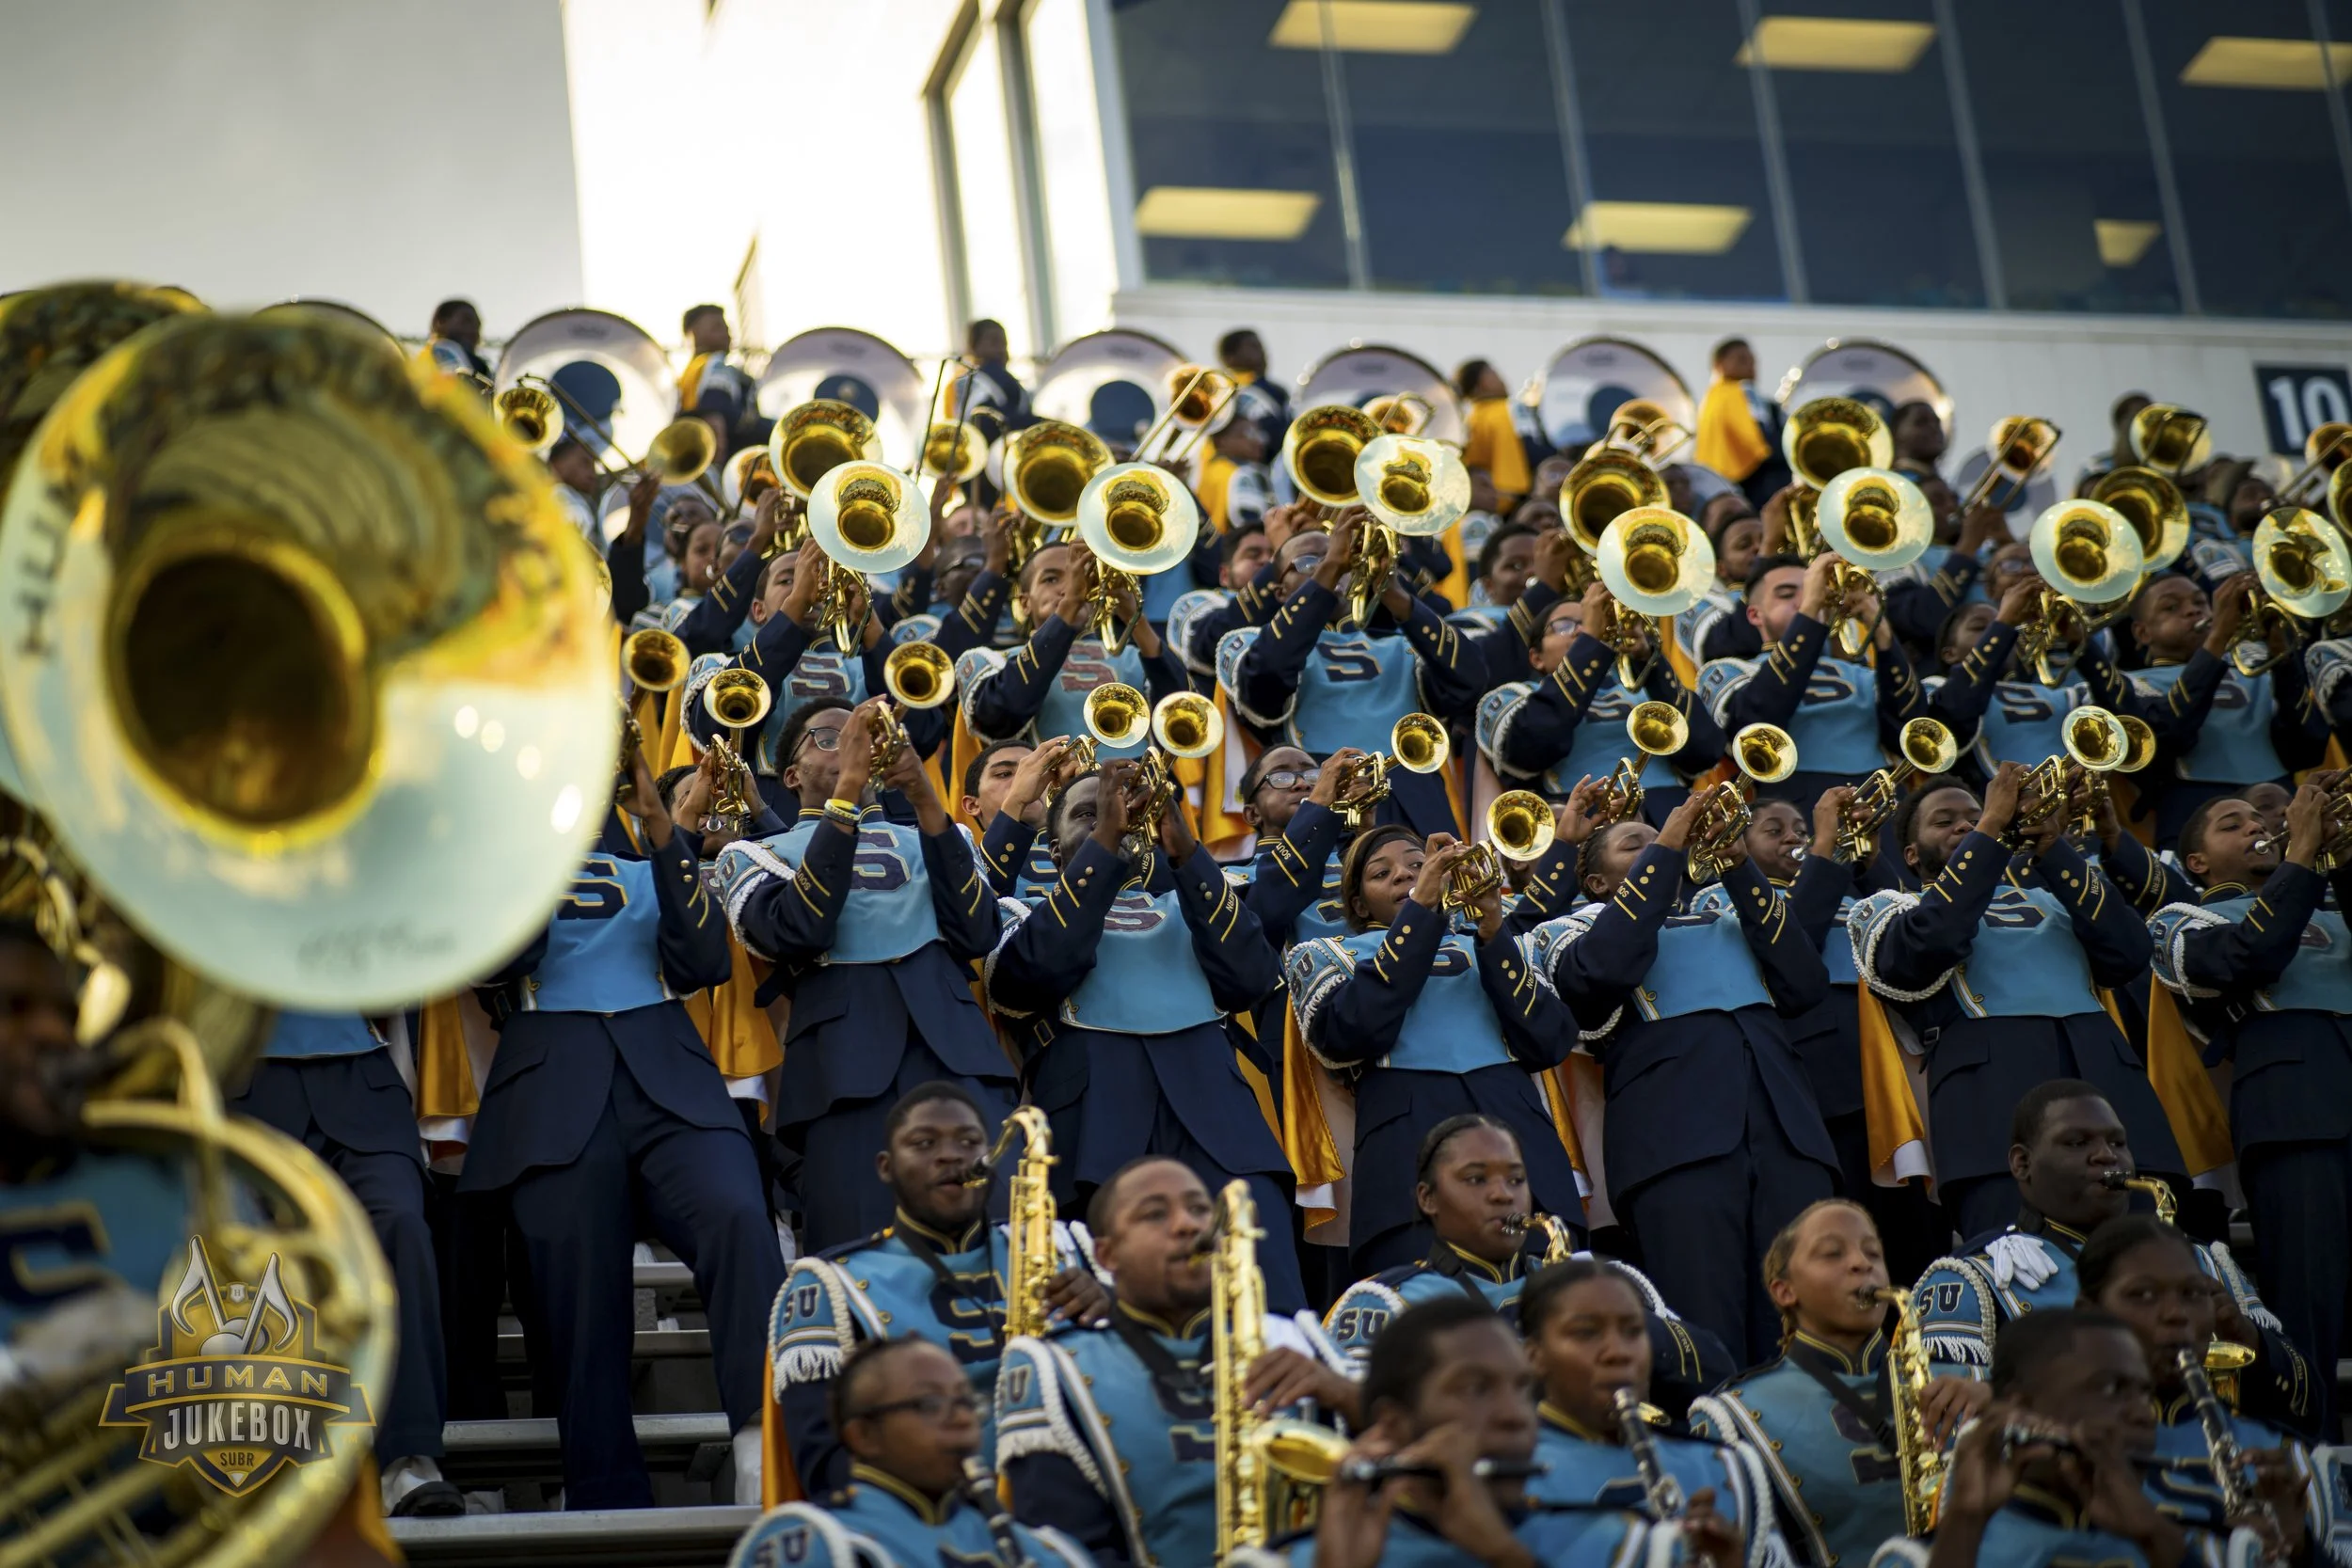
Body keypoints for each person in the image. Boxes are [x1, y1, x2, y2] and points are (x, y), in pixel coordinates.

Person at [460, 745, 782, 1510]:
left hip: (672, 1082)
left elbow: (705, 958)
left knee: (739, 1217)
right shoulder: (492, 869)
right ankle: (605, 1493)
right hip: (551, 1088)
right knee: (578, 1293)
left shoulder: (652, 860)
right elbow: (506, 959)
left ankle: (763, 1439)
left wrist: (664, 828)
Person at [1530, 789, 1839, 1362]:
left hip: (1787, 1133)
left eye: (1657, 842)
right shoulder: (1571, 927)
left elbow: (1805, 982)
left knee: (1809, 1324)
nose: (1653, 850)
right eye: (1634, 845)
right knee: (1707, 1329)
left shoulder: (1730, 905)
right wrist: (1668, 846)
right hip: (1675, 1147)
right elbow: (1597, 978)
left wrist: (1737, 863)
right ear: (1596, 882)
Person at [984, 765, 1305, 1307]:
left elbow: (1253, 975)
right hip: (1092, 1142)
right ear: (1056, 853)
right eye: (1086, 814)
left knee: (1265, 1307)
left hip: (1225, 1137)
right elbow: (1031, 974)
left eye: (1132, 813)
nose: (1116, 818)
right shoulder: (1022, 911)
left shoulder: (1195, 905)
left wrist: (1184, 848)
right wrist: (1106, 841)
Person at [716, 699, 1015, 1248]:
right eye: (828, 737)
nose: (852, 742)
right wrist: (846, 793)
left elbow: (977, 933)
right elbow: (797, 931)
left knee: (988, 1244)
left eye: (861, 735)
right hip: (840, 1072)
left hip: (958, 1053)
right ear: (790, 774)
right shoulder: (753, 853)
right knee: (860, 1253)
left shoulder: (946, 836)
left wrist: (924, 793)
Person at [1849, 771, 2184, 1239]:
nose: (1964, 825)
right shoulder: (1888, 908)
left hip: (2110, 1099)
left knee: (2144, 1273)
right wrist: (1988, 830)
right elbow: (1928, 946)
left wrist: (2052, 846)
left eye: (1972, 815)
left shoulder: (2056, 897)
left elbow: (2129, 952)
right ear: (1910, 854)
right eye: (1944, 822)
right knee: (2020, 1278)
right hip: (1993, 1119)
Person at [993, 1158, 1355, 1567]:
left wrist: (1349, 1399)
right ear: (1106, 1255)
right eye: (1155, 1214)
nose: (1187, 1226)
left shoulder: (1296, 1341)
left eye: (1200, 1210)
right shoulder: (1052, 1367)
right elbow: (1069, 1551)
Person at [767, 1083, 1108, 1495]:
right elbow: (829, 1473)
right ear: (885, 1167)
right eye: (924, 1143)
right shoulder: (827, 1287)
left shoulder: (1067, 1249)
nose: (950, 1155)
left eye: (969, 1141)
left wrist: (1115, 1317)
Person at [1910, 1082, 2305, 1433]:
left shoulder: (2207, 1260)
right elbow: (1945, 1427)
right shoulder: (1971, 1278)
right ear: (2022, 1163)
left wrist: (2248, 1337)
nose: (2106, 1156)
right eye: (2077, 1143)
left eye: (2117, 1143)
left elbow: (2305, 1400)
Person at [2148, 782, 2352, 1431]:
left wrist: (2337, 861)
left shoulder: (2331, 900)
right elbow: (2250, 956)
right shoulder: (2181, 918)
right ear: (2198, 862)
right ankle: (2311, 1464)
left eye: (2264, 817)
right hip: (2296, 1120)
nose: (2257, 825)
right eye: (2232, 823)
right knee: (2309, 1306)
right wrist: (2300, 856)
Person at [1285, 829, 1582, 1274]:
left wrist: (1493, 931)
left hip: (1522, 1144)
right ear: (1360, 905)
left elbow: (1550, 1040)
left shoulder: (1500, 943)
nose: (1404, 874)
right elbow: (1348, 1035)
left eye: (1417, 865)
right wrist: (1420, 916)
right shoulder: (1326, 953)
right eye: (1382, 873)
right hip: (1405, 1164)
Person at [1295, 1295, 1742, 1568]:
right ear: (1391, 1424)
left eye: (1524, 1389)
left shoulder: (1622, 1547)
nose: (1516, 1416)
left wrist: (1503, 1554)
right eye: (1475, 1389)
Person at [1322, 1118, 1726, 1411]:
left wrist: (1618, 1322)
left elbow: (1716, 1371)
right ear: (1428, 1199)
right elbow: (1355, 1422)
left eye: (1516, 1180)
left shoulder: (1596, 1278)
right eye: (1476, 1180)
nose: (1503, 1196)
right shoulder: (1385, 1301)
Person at [227, 1011, 457, 1515]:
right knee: (241, 1255)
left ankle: (408, 1459)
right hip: (244, 1086)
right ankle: (252, 1463)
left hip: (363, 1082)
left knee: (402, 1226)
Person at [1708, 790, 1942, 1281]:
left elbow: (1912, 927)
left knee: (1921, 1239)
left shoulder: (1847, 885)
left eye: (1800, 828)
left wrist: (1872, 859)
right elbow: (1790, 947)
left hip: (1903, 1073)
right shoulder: (1725, 897)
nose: (1793, 836)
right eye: (1773, 831)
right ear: (1738, 845)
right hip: (1831, 1088)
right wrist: (1828, 851)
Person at [1692, 1199, 1989, 1568]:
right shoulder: (1731, 1415)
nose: (1861, 1263)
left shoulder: (1972, 1382)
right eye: (1832, 1254)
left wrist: (2005, 1409)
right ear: (1784, 1291)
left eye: (1873, 1253)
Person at [2072, 1216, 2333, 1562]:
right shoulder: (2050, 1454)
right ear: (2089, 1314)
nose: (2176, 1314)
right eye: (2144, 1294)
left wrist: (2298, 1550)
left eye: (2193, 1294)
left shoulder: (2280, 1455)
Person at [1871, 1308, 2207, 1568]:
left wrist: (2154, 1537)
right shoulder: (1912, 1560)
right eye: (2111, 1388)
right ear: (2021, 1408)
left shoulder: (2197, 1546)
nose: (2143, 1413)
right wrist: (1966, 1522)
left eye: (2143, 1392)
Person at [1221, 515, 1487, 837]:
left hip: (1409, 801)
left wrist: (1395, 594)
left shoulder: (1404, 645)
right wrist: (1330, 568)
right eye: (1308, 563)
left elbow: (1471, 679)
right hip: (1319, 798)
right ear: (1280, 592)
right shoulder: (1252, 641)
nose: (1333, 565)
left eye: (1342, 560)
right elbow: (1265, 679)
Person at [731, 1337, 1092, 1568]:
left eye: (967, 1401)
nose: (962, 1418)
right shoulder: (812, 1546)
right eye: (930, 1403)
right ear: (864, 1435)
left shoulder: (1041, 1551)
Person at [1519, 1259, 1783, 1558]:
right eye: (1586, 1333)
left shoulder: (1720, 1467)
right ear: (1534, 1356)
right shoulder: (1503, 1482)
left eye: (1633, 1331)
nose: (1618, 1352)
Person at [1700, 553, 1937, 814]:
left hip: (1875, 804)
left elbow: (1911, 729)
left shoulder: (1864, 674)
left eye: (1812, 591)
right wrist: (1809, 610)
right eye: (1787, 594)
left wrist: (1878, 626)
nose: (1804, 600)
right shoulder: (1728, 670)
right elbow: (1757, 722)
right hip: (1791, 811)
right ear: (1755, 615)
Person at [1477, 579, 1726, 821]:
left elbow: (1705, 752)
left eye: (1589, 621)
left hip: (1668, 814)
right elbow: (1531, 748)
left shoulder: (1646, 687)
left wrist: (1647, 659)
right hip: (1586, 823)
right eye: (1564, 625)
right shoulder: (1514, 697)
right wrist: (1589, 641)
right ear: (1536, 657)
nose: (1580, 630)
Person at [958, 539, 1187, 761]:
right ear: (1024, 603)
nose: (1068, 587)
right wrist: (1070, 604)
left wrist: (1134, 615)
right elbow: (1002, 714)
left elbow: (1182, 716)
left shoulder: (1136, 657)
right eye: (1050, 579)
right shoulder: (992, 661)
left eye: (1081, 578)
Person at [1930, 578, 2161, 773]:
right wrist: (2003, 623)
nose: (2002, 635)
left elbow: (2133, 722)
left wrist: (2078, 642)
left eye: (2008, 630)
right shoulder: (1935, 689)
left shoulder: (2066, 695)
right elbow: (1953, 715)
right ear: (1949, 654)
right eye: (1981, 627)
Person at [1694, 338, 1788, 509]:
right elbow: (1759, 443)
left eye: (1753, 361)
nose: (1751, 366)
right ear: (1720, 364)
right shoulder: (1737, 393)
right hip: (1756, 483)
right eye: (1742, 360)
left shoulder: (1711, 399)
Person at [419, 297, 487, 383]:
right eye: (466, 321)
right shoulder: (442, 349)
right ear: (441, 322)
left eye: (478, 324)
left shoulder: (477, 361)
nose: (474, 328)